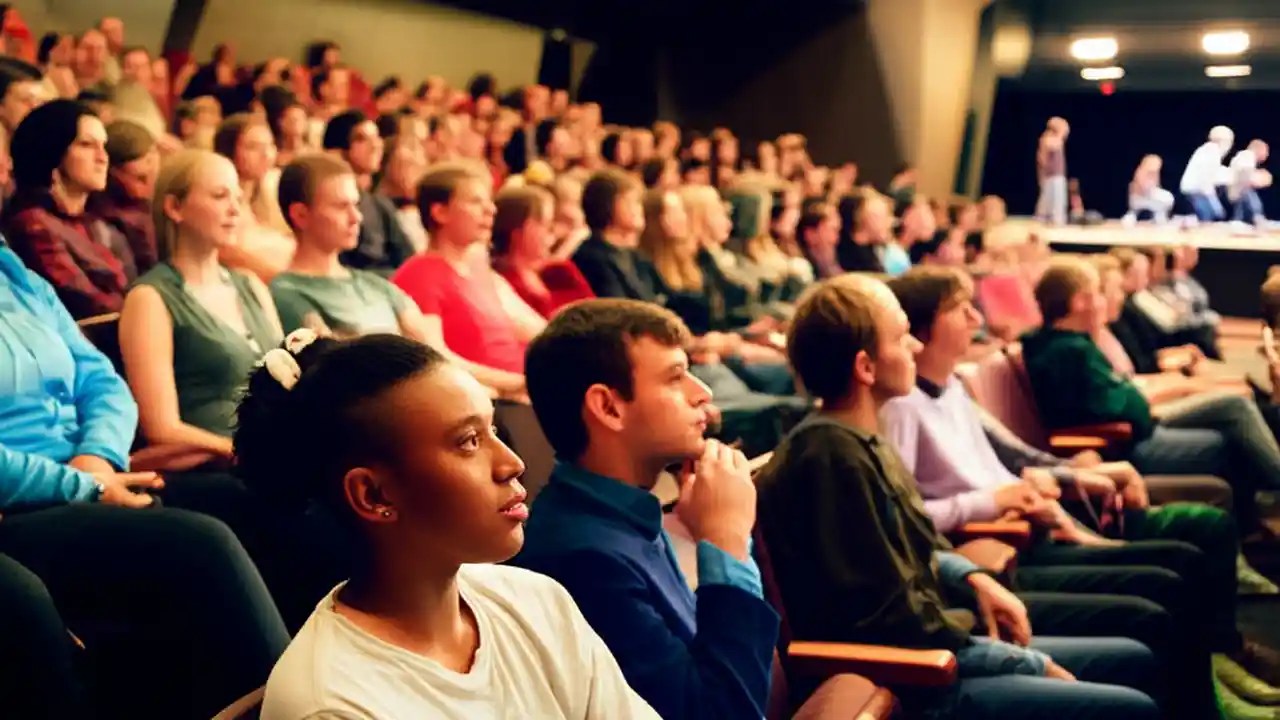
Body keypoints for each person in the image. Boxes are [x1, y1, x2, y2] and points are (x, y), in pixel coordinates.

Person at [756, 274, 1161, 719]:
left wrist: (971, 576)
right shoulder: (832, 456)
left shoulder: (859, 437)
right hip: (913, 682)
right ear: (865, 367)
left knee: (1136, 656)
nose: (913, 346)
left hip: (943, 643)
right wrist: (1026, 661)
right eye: (900, 336)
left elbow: (919, 543)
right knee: (1131, 704)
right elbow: (896, 623)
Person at [881, 266, 1280, 717]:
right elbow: (910, 520)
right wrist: (998, 501)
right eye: (960, 309)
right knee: (1172, 578)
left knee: (1185, 560)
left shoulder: (950, 386)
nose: (977, 318)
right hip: (1005, 548)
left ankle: (1216, 670)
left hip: (1034, 521)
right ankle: (1208, 694)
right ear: (921, 327)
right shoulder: (897, 409)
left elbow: (1015, 456)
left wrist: (1071, 477)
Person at [235, 332, 658, 719]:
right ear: (374, 496)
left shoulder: (537, 601)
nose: (513, 463)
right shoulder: (332, 704)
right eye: (468, 441)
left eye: (491, 429)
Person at [0, 241, 289, 719]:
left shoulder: (17, 274)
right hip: (23, 502)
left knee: (260, 499)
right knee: (200, 543)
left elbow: (101, 379)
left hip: (98, 472)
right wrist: (80, 485)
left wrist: (97, 455)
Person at [512, 299, 780, 719]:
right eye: (675, 377)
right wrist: (727, 543)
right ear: (609, 407)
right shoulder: (580, 558)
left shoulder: (620, 512)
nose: (703, 392)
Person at [1021, 256, 1280, 534]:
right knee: (1232, 436)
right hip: (1126, 446)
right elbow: (1126, 406)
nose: (1104, 302)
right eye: (1097, 294)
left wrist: (1133, 396)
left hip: (1135, 433)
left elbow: (1123, 397)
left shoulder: (1069, 344)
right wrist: (1136, 397)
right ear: (1080, 302)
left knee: (1235, 409)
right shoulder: (1067, 351)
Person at [119, 149, 283, 461]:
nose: (235, 209)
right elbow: (163, 428)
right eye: (220, 196)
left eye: (238, 197)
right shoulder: (150, 298)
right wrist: (240, 451)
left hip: (272, 456)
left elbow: (293, 377)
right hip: (211, 468)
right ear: (174, 207)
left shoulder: (250, 284)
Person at [391, 164, 530, 398]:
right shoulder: (418, 274)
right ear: (440, 212)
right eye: (476, 202)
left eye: (489, 200)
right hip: (489, 400)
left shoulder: (482, 272)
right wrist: (517, 383)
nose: (491, 210)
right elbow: (435, 358)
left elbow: (534, 329)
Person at [270, 153, 432, 339]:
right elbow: (330, 362)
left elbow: (434, 350)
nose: (357, 217)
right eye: (340, 206)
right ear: (300, 215)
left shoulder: (375, 285)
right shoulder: (287, 292)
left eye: (356, 205)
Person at [2, 99, 136, 318]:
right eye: (86, 145)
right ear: (53, 149)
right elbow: (85, 303)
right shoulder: (33, 225)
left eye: (103, 146)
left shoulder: (101, 224)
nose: (102, 158)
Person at [323, 110, 416, 275]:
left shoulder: (380, 205)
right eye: (361, 139)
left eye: (376, 137)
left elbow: (410, 262)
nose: (376, 145)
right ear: (337, 151)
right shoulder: (325, 207)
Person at [491, 184, 594, 318]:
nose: (553, 231)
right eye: (545, 223)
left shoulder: (560, 272)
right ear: (522, 230)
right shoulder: (504, 286)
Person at [213, 112, 294, 280]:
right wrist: (282, 281)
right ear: (229, 152)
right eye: (252, 147)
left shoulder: (268, 190)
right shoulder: (220, 198)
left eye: (270, 145)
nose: (266, 154)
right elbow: (224, 252)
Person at [90, 118, 159, 274]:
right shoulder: (104, 226)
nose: (152, 185)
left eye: (156, 175)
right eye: (140, 178)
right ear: (112, 174)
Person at [1180, 126, 1234, 222]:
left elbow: (1214, 173)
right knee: (1212, 216)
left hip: (1197, 191)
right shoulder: (1212, 151)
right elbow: (1207, 179)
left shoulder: (1207, 150)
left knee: (1216, 214)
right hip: (1196, 193)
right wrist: (1213, 202)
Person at [1228, 139, 1270, 227]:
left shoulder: (1244, 156)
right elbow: (1244, 174)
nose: (1267, 155)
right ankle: (1257, 217)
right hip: (1237, 188)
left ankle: (1241, 220)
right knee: (1250, 197)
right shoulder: (1248, 155)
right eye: (1266, 151)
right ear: (1259, 149)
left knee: (1245, 200)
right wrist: (1260, 178)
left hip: (1237, 188)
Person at [1036, 117, 1069, 226]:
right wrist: (1061, 133)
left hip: (1056, 175)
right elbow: (1045, 154)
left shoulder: (1054, 138)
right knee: (1052, 197)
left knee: (1054, 197)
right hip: (1051, 175)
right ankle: (1050, 218)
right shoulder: (1049, 138)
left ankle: (1054, 218)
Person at [1124, 154, 1175, 225]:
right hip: (1139, 199)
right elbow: (1136, 188)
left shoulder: (1155, 174)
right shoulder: (1140, 173)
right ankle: (1131, 217)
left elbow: (1157, 186)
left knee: (1168, 198)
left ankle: (1159, 217)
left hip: (1149, 197)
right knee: (1165, 199)